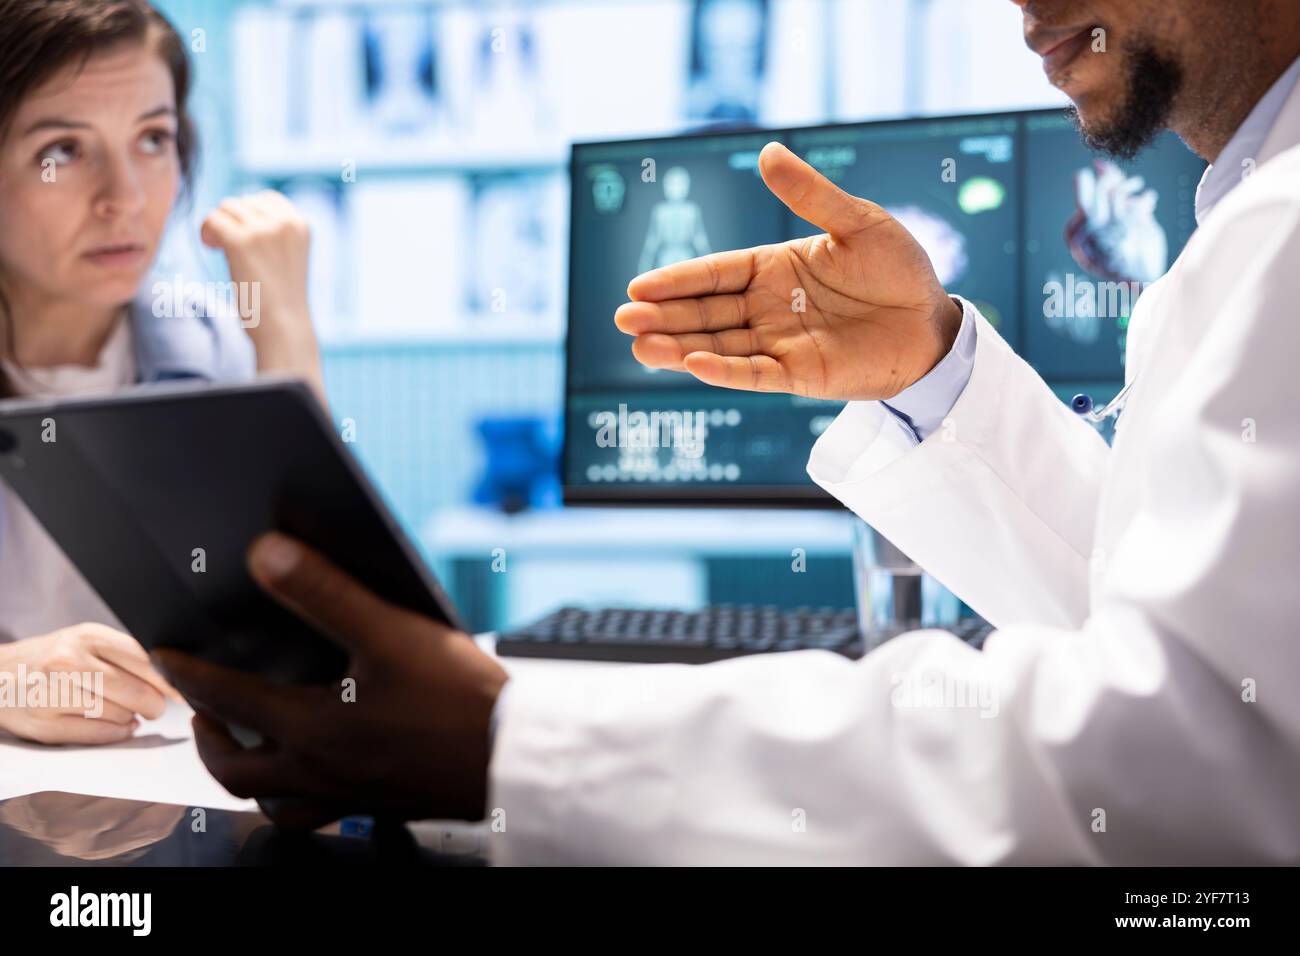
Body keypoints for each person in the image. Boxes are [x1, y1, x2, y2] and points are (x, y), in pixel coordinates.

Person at [157, 0, 1300, 864]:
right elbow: (1158, 612)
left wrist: (516, 740)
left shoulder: (1283, 225)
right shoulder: (1253, 212)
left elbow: (1172, 766)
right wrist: (936, 369)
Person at [0, 0, 323, 745]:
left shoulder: (215, 354)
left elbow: (323, 646)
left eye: (154, 139)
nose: (128, 199)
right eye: (66, 150)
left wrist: (288, 337)